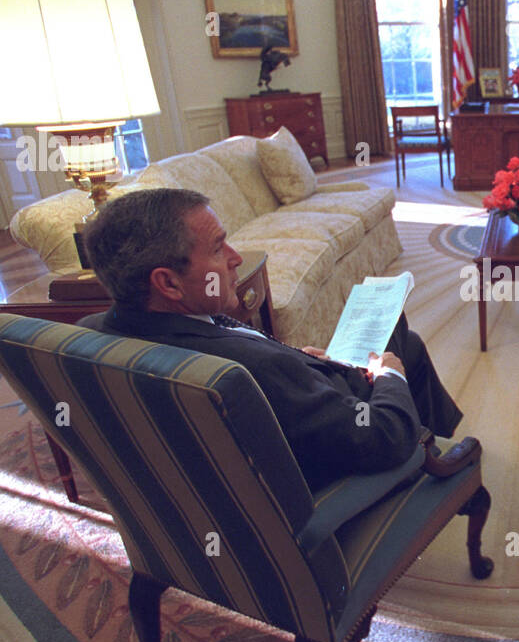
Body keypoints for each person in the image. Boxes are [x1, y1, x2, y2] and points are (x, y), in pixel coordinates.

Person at [80, 187, 462, 490]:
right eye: (217, 248)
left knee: (401, 334)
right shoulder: (254, 370)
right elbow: (383, 438)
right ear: (167, 283)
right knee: (400, 353)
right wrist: (387, 377)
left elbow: (235, 344)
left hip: (297, 403)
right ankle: (432, 458)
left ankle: (437, 440)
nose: (235, 258)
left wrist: (295, 356)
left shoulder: (96, 332)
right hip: (342, 450)